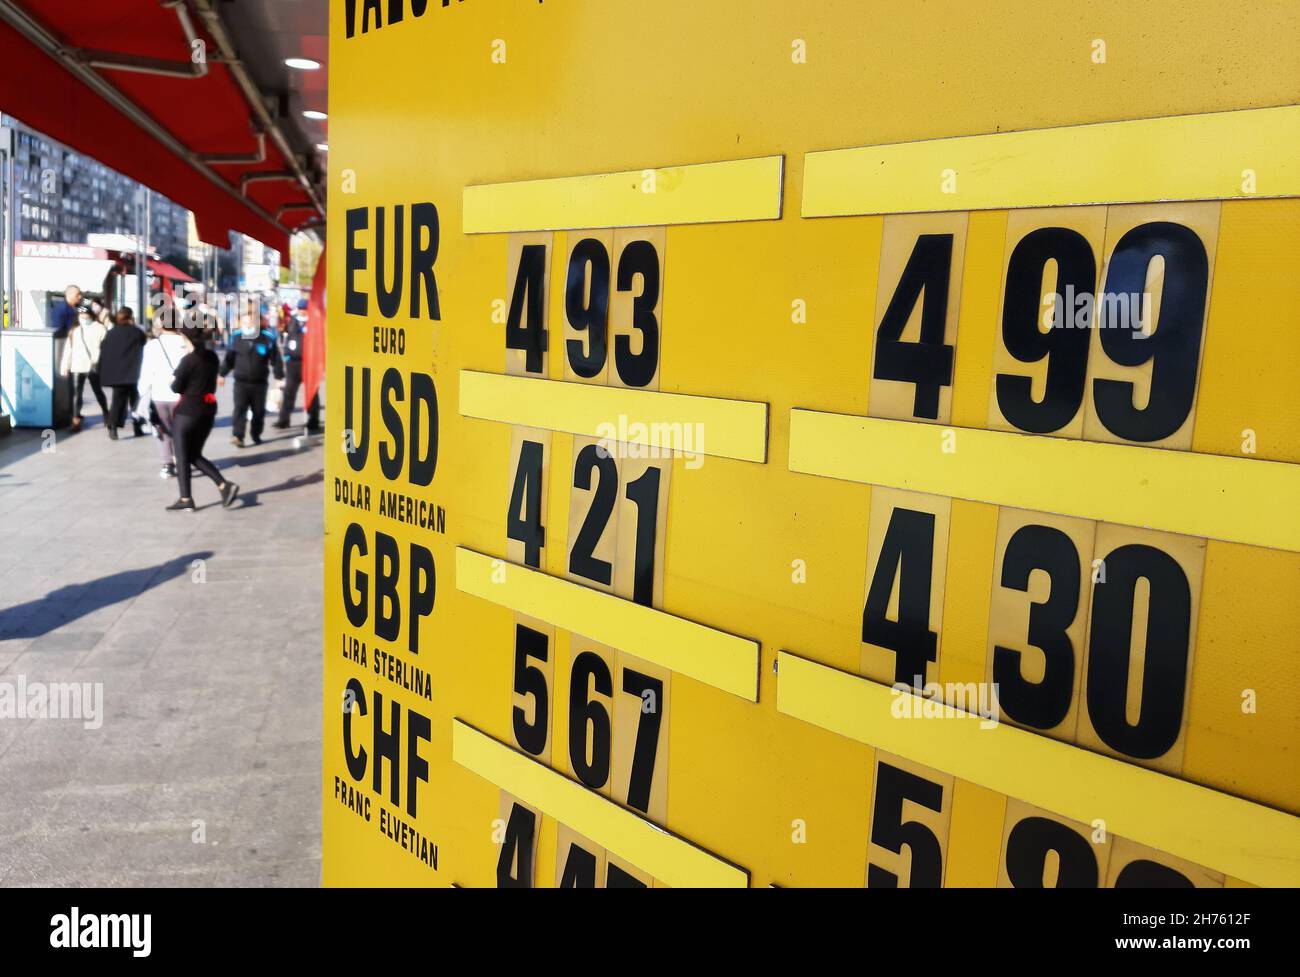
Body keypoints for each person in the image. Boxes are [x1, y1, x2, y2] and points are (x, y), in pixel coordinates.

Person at [168, 328, 239, 511]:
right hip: (207, 409)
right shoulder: (212, 357)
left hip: (187, 412)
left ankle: (186, 498)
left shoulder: (188, 360)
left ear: (188, 340)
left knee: (183, 456)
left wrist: (174, 380)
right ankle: (224, 485)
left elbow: (176, 387)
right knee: (194, 454)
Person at [135, 316, 192, 478]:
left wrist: (142, 394)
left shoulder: (152, 346)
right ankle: (183, 461)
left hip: (159, 394)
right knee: (183, 432)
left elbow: (146, 373)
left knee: (163, 431)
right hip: (183, 395)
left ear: (161, 325)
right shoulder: (186, 343)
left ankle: (168, 464)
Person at [221, 313, 283, 447]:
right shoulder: (236, 337)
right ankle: (238, 436)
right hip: (240, 382)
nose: (248, 324)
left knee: (258, 411)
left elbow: (276, 359)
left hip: (259, 383)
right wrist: (222, 374)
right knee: (239, 409)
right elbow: (229, 358)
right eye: (246, 322)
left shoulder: (267, 338)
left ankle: (256, 434)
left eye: (251, 322)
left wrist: (279, 377)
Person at [98, 307, 147, 440]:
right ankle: (138, 426)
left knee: (117, 401)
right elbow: (143, 345)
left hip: (117, 374)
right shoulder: (137, 332)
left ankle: (113, 427)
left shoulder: (111, 333)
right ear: (131, 317)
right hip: (134, 372)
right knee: (135, 401)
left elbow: (104, 350)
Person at [58, 308, 110, 432]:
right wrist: (65, 366)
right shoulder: (75, 330)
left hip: (93, 366)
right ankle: (76, 421)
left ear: (91, 315)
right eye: (81, 316)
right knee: (77, 394)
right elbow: (68, 349)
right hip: (77, 365)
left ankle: (106, 414)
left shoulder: (100, 328)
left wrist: (99, 360)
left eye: (86, 316)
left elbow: (105, 348)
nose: (84, 318)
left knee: (98, 392)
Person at [273, 311, 321, 432]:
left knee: (312, 392)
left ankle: (313, 420)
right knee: (289, 391)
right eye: (300, 308)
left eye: (303, 308)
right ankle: (283, 420)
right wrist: (287, 355)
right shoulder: (292, 321)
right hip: (293, 363)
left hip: (309, 363)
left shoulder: (314, 321)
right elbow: (287, 337)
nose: (301, 311)